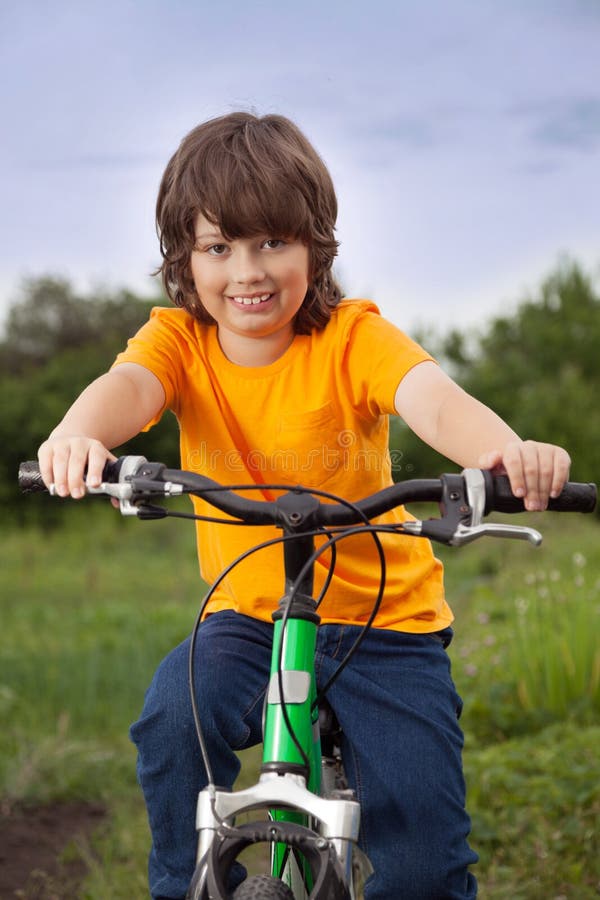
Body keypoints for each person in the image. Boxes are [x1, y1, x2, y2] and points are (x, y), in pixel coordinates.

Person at [38, 112, 571, 900]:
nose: (246, 271)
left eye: (271, 243)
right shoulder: (178, 342)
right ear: (184, 257)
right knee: (171, 719)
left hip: (384, 622)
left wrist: (500, 453)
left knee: (425, 861)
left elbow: (430, 396)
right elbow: (127, 388)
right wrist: (78, 434)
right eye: (219, 247)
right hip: (247, 616)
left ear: (315, 246)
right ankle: (184, 884)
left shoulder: (352, 336)